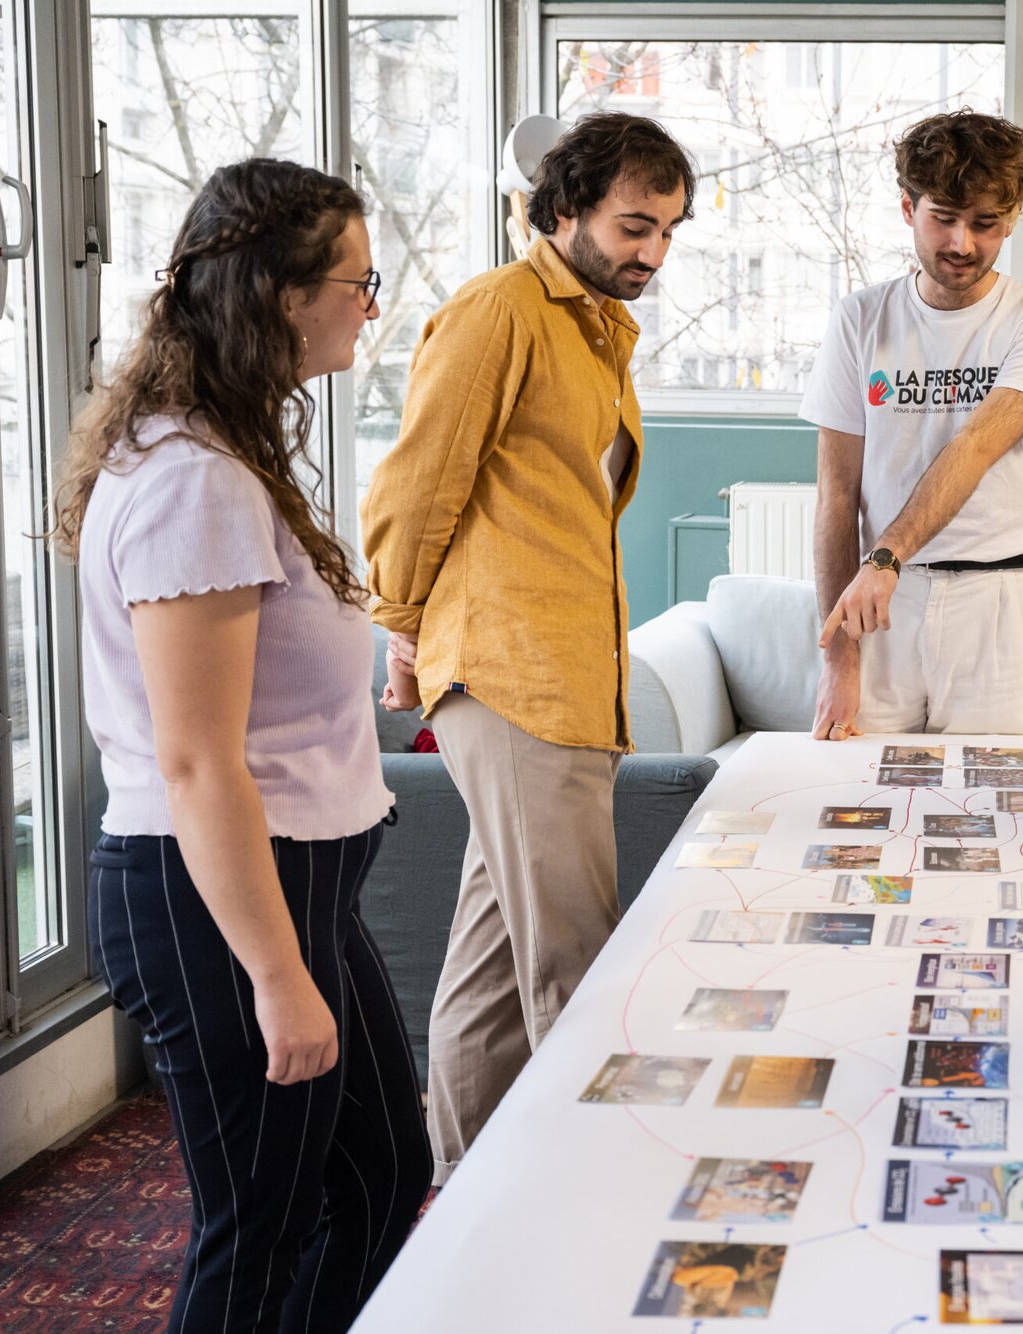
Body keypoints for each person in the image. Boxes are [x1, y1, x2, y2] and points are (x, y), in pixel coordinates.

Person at [54, 157, 430, 1332]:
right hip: (213, 896)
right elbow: (196, 760)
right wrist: (276, 977)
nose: (372, 308)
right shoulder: (192, 478)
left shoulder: (229, 449)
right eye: (358, 285)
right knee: (258, 1226)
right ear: (279, 294)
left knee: (378, 1176)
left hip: (295, 881)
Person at [359, 113, 694, 1181]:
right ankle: (577, 1207)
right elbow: (416, 485)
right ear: (562, 211)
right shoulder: (499, 310)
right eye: (634, 224)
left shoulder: (594, 328)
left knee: (494, 968)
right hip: (513, 679)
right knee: (573, 960)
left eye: (669, 231)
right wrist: (400, 626)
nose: (652, 251)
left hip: (563, 676)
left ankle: (462, 1195)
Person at [802, 110, 1023, 740]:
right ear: (908, 208)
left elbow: (977, 446)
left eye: (986, 224)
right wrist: (838, 659)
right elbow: (835, 496)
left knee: (990, 814)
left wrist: (886, 555)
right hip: (881, 605)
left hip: (999, 602)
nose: (962, 244)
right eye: (943, 218)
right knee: (864, 807)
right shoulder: (859, 319)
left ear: (1013, 218)